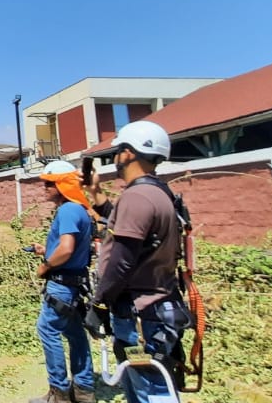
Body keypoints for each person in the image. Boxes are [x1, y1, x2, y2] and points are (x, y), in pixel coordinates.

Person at [87, 121, 192, 403]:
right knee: (139, 385)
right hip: (157, 308)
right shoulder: (157, 193)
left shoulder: (137, 197)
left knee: (151, 391)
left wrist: (99, 304)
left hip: (140, 316)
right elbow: (126, 226)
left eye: (118, 151)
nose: (115, 158)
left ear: (129, 153)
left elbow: (121, 261)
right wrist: (97, 196)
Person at [29, 161, 96, 403]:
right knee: (75, 333)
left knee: (47, 330)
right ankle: (84, 390)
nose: (45, 188)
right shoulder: (80, 209)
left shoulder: (67, 210)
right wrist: (46, 249)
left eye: (49, 184)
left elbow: (66, 249)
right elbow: (73, 247)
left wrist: (45, 266)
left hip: (61, 284)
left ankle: (59, 393)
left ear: (62, 185)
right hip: (75, 283)